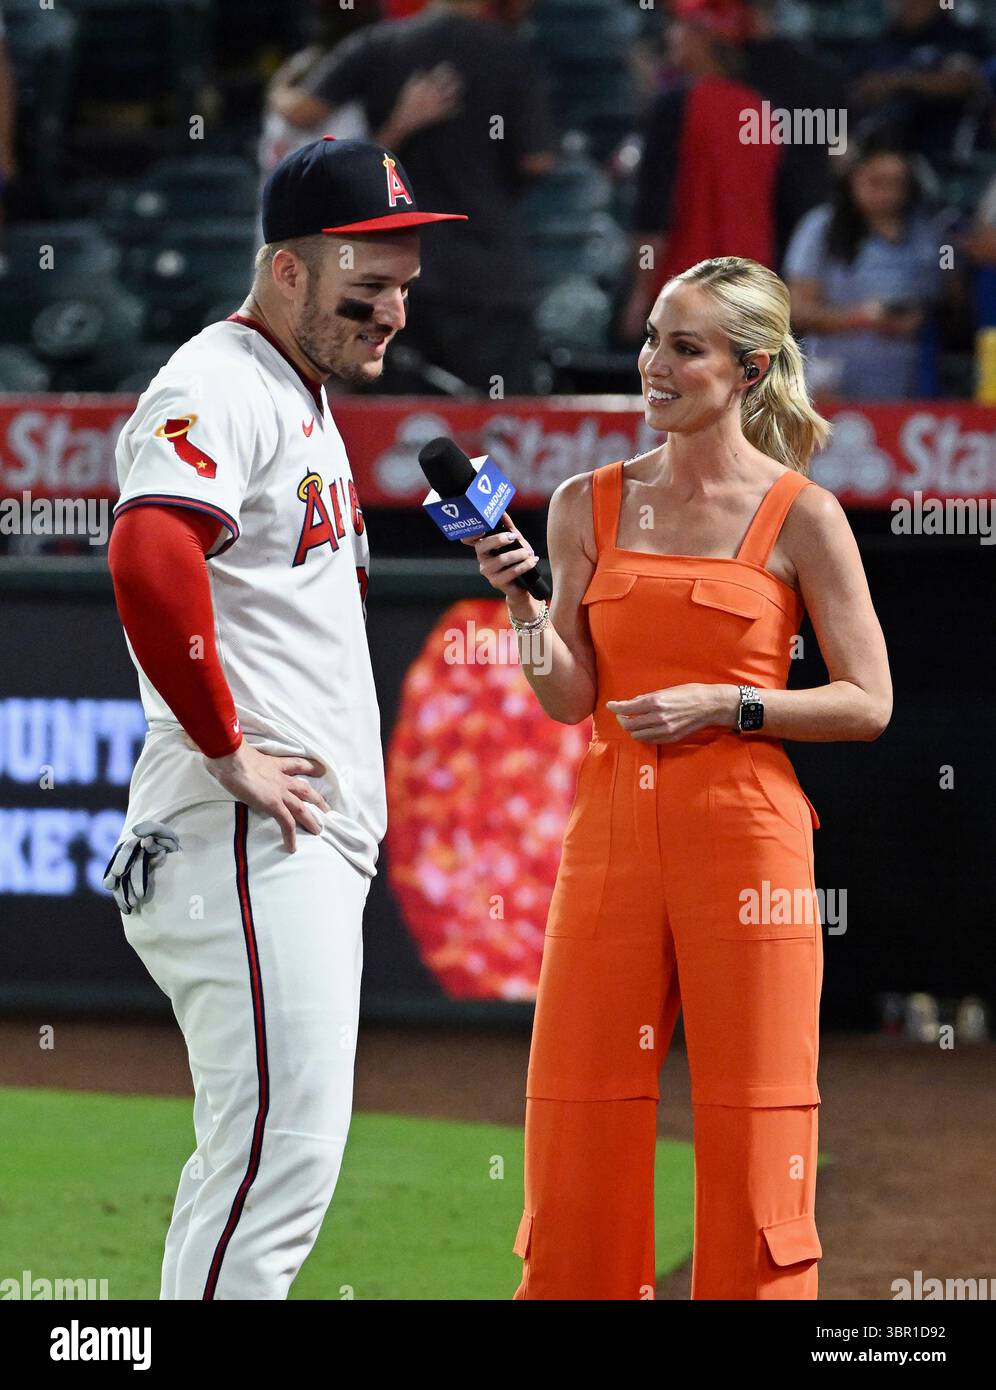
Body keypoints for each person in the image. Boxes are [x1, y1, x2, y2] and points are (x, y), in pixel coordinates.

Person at [465, 256, 893, 1299]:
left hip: (747, 828)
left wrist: (729, 704)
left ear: (747, 371)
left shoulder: (804, 515)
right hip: (608, 824)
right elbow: (567, 697)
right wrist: (523, 609)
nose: (654, 363)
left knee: (758, 1114)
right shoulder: (583, 505)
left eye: (684, 347)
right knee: (575, 1108)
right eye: (653, 337)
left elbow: (869, 700)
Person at [104, 138, 466, 1300]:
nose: (394, 312)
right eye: (370, 287)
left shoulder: (292, 393)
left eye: (406, 286)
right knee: (274, 1169)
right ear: (289, 269)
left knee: (271, 1167)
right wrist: (225, 747)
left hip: (281, 843)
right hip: (242, 838)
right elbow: (151, 555)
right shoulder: (217, 376)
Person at [273, 0, 556, 394]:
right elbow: (537, 161)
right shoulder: (510, 53)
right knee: (494, 426)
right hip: (488, 277)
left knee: (396, 428)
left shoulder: (380, 43)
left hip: (395, 274)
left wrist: (279, 87)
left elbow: (300, 110)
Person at [617, 0, 782, 345]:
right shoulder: (763, 111)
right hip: (749, 298)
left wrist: (638, 296)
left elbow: (655, 214)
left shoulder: (676, 104)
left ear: (702, 35)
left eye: (680, 26)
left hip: (686, 292)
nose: (671, 36)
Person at [783, 134, 947, 400]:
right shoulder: (820, 227)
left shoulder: (927, 235)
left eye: (897, 183)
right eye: (876, 182)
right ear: (853, 179)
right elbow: (797, 311)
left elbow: (944, 300)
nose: (888, 193)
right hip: (832, 382)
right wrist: (861, 318)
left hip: (905, 384)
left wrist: (919, 317)